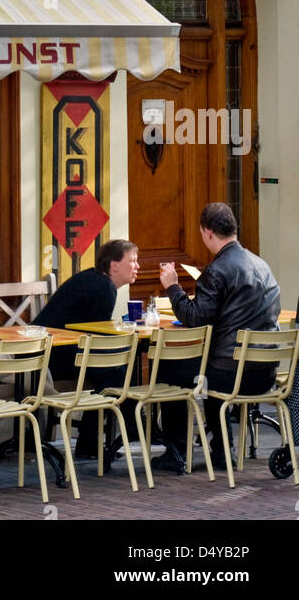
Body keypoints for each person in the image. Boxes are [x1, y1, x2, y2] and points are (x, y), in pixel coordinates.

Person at [154, 201, 281, 471]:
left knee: (170, 366)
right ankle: (221, 449)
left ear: (207, 232)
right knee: (207, 367)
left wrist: (173, 287)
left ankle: (176, 450)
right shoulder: (262, 265)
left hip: (229, 374)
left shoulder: (218, 269)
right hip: (266, 373)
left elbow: (196, 318)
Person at [35, 239, 140, 456]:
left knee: (114, 369)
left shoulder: (95, 280)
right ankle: (130, 429)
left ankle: (96, 441)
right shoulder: (104, 288)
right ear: (114, 265)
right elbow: (97, 339)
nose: (137, 266)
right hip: (52, 359)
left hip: (52, 353)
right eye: (132, 261)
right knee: (116, 371)